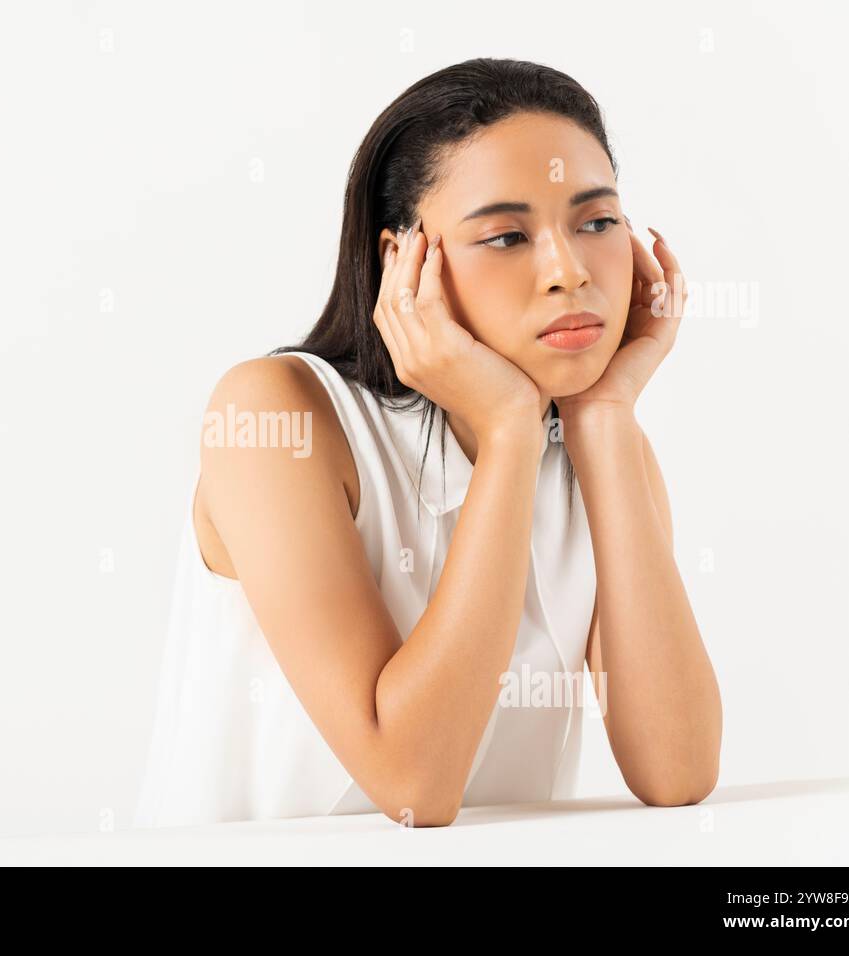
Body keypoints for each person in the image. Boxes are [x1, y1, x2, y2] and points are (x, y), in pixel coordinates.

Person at [134, 57, 721, 829]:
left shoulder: (604, 447)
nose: (569, 271)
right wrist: (510, 432)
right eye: (508, 236)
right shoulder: (275, 417)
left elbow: (676, 773)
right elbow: (414, 783)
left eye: (598, 221)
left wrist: (607, 417)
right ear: (403, 263)